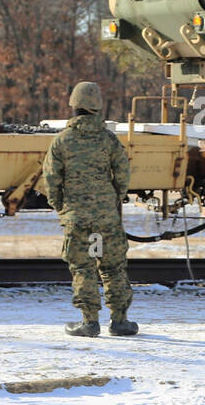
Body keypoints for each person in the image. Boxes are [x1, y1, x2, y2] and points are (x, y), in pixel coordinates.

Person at [42, 82, 135, 337]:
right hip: (107, 214)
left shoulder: (62, 140)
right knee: (114, 267)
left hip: (76, 215)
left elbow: (51, 178)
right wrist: (114, 197)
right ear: (97, 107)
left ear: (73, 105)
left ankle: (89, 322)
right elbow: (123, 173)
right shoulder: (108, 139)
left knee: (82, 268)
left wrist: (61, 207)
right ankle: (120, 321)